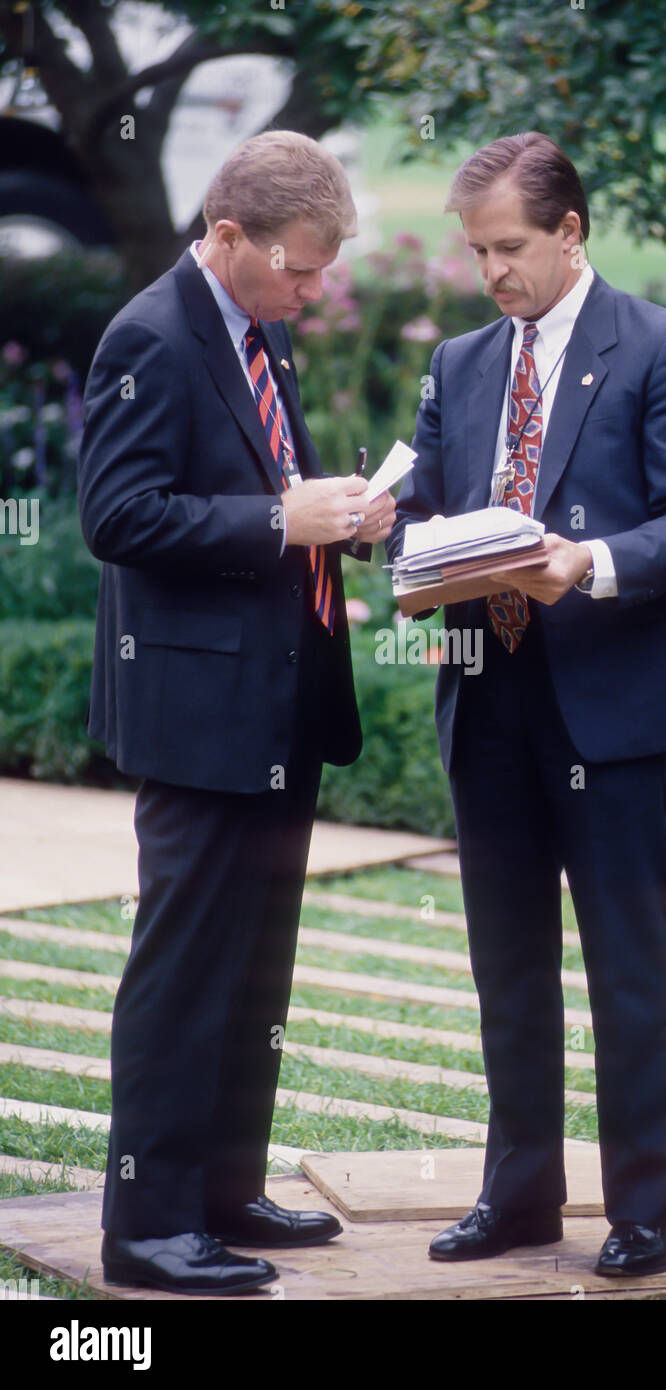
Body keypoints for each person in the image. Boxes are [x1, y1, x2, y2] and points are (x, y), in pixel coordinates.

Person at [387, 132, 666, 1275]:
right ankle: (520, 1197)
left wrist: (583, 562)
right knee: (506, 962)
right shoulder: (458, 361)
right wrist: (390, 539)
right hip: (484, 695)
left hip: (607, 699)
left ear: (569, 231)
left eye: (510, 248)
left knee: (627, 965)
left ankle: (645, 1213)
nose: (492, 272)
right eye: (476, 251)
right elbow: (428, 510)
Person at [78, 130, 395, 1296]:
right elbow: (116, 516)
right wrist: (278, 520)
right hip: (199, 709)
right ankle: (148, 1225)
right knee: (183, 969)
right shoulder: (147, 337)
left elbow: (265, 485)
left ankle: (224, 1189)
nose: (311, 293)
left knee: (255, 966)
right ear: (225, 238)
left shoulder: (249, 325)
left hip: (279, 702)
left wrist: (336, 515)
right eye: (299, 270)